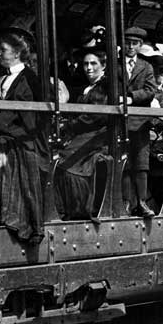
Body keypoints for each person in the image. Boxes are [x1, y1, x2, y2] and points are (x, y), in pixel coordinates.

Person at [0, 28, 47, 244]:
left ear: (16, 53)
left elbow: (31, 117)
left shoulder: (30, 79)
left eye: (3, 50)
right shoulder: (5, 78)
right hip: (6, 133)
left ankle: (9, 215)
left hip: (22, 139)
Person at [54, 49, 112, 221]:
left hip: (97, 135)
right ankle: (65, 208)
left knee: (68, 160)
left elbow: (96, 116)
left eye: (93, 63)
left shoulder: (104, 86)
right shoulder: (88, 88)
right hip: (84, 133)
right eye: (86, 64)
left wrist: (69, 125)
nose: (88, 67)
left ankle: (79, 209)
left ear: (103, 65)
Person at [121, 27, 157, 218]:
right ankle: (128, 202)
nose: (130, 46)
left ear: (140, 45)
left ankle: (142, 202)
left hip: (140, 123)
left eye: (134, 43)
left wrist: (131, 97)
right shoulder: (115, 64)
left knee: (141, 163)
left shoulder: (146, 66)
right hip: (121, 122)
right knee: (125, 162)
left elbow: (151, 91)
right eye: (127, 42)